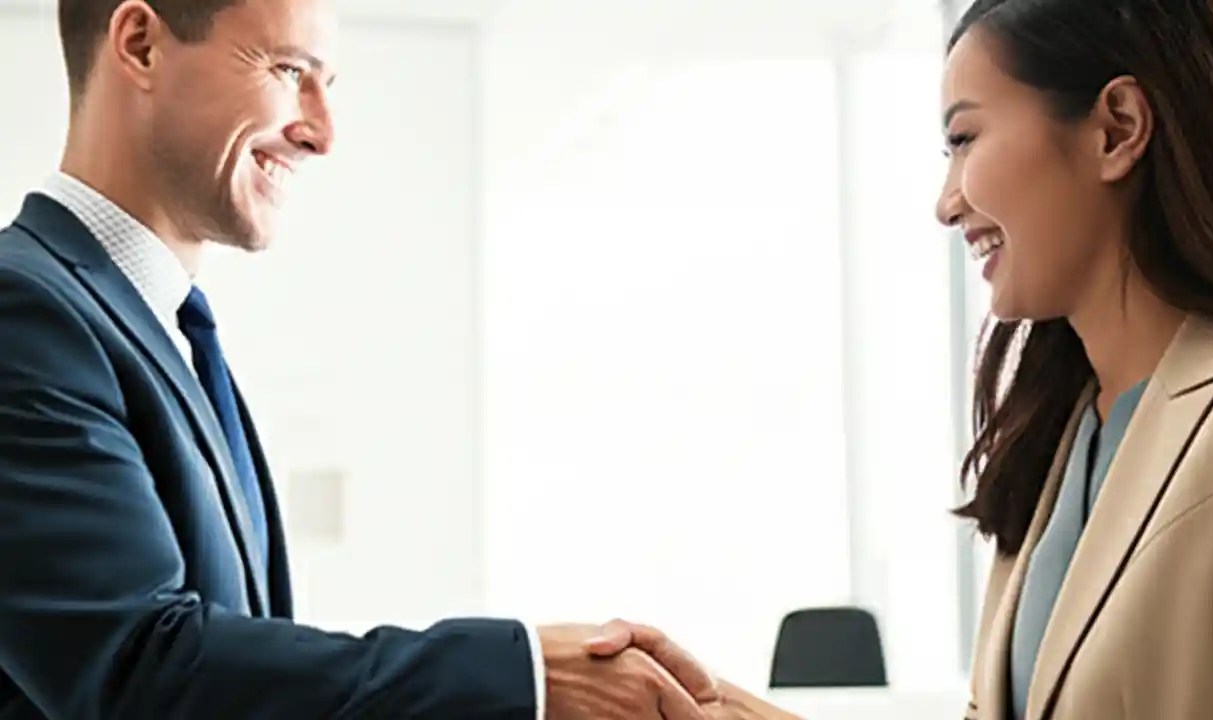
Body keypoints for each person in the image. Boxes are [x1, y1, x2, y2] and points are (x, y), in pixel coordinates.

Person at [0, 0, 722, 717]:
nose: (322, 133)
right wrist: (529, 677)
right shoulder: (24, 310)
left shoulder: (159, 328)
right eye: (290, 71)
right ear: (141, 45)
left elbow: (227, 664)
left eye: (328, 85)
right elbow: (136, 667)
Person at [593, 0, 1213, 718]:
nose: (947, 203)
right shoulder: (1068, 434)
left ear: (1117, 129)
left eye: (964, 138)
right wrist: (722, 711)